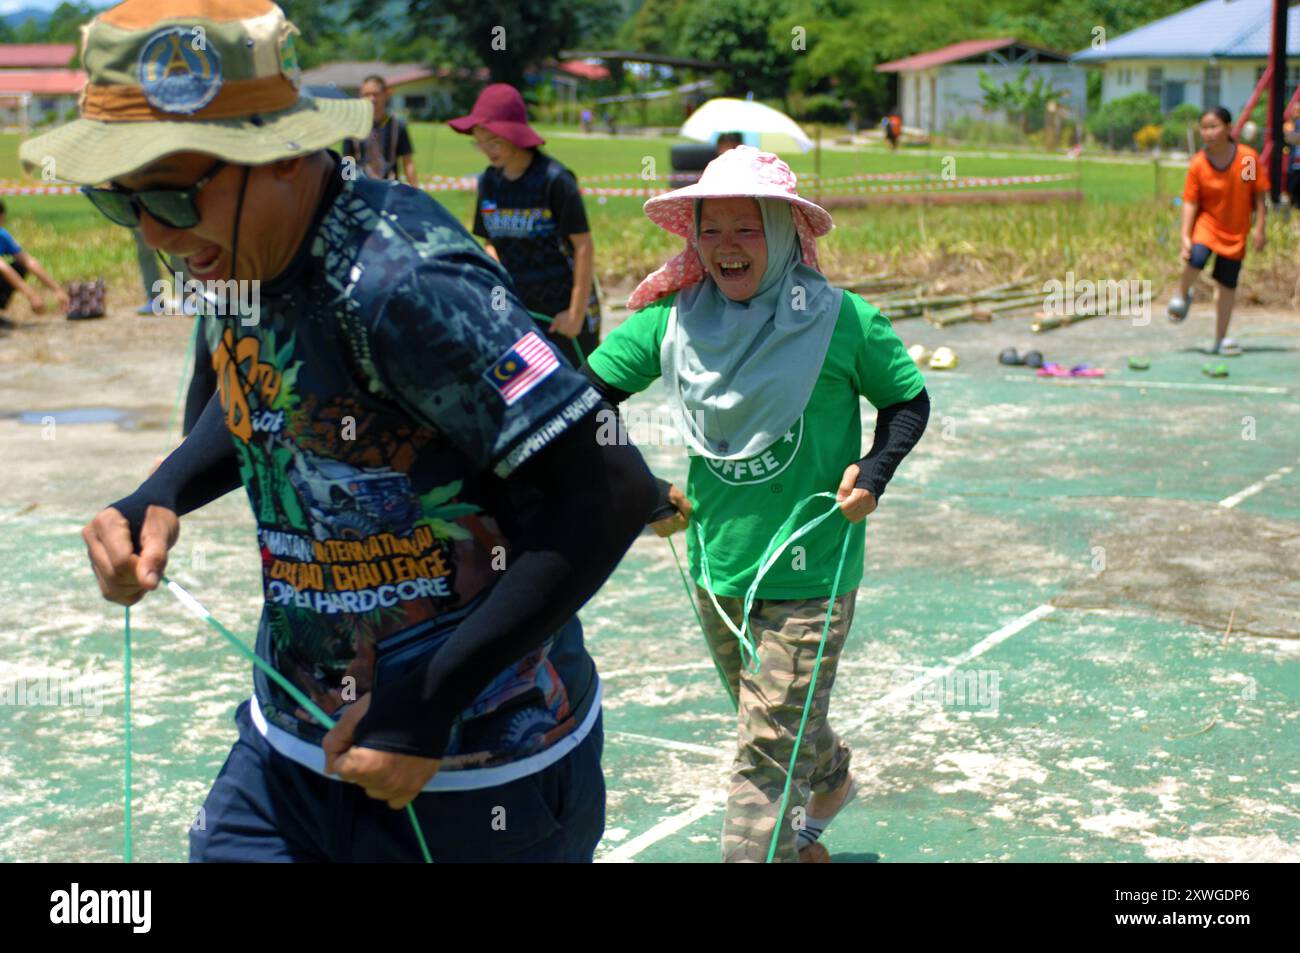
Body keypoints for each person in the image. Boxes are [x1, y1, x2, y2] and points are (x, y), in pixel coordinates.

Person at [36, 0, 656, 863]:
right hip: (290, 739)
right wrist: (160, 492)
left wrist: (432, 695)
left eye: (173, 193)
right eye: (118, 199)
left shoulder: (410, 286)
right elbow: (267, 387)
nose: (154, 233)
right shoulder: (238, 249)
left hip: (474, 769)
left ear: (284, 153)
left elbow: (611, 488)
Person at [581, 146, 930, 863]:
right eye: (710, 230)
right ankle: (829, 781)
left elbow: (906, 399)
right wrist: (639, 489)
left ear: (782, 233)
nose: (726, 247)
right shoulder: (670, 324)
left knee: (763, 752)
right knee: (776, 724)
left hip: (815, 572)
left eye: (747, 229)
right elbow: (581, 401)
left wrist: (876, 468)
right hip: (719, 567)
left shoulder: (842, 321)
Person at [450, 83, 601, 369]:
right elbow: (491, 240)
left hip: (564, 313)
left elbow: (583, 245)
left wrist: (575, 313)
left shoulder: (555, 181)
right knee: (532, 397)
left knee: (586, 397)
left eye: (493, 141)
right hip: (518, 310)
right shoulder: (489, 182)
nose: (486, 150)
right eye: (480, 142)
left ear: (514, 135)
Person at [1167, 107, 1269, 355]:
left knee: (1226, 286)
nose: (1209, 133)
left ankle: (1220, 339)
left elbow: (1257, 195)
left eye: (1214, 126)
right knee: (1197, 257)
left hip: (1236, 232)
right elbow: (1190, 201)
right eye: (1204, 128)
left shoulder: (1246, 159)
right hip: (1207, 226)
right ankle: (1182, 293)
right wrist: (1185, 236)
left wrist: (1260, 229)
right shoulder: (1199, 164)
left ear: (1228, 128)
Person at [0, 199, 70, 320]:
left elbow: (28, 261)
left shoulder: (2, 235)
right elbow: (2, 266)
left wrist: (57, 289)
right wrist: (31, 294)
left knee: (19, 266)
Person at [343, 75, 418, 185]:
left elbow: (408, 162)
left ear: (385, 94)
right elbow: (348, 160)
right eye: (366, 95)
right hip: (363, 190)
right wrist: (347, 189)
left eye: (376, 94)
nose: (371, 99)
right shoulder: (353, 126)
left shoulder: (397, 125)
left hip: (390, 189)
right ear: (360, 96)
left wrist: (416, 192)